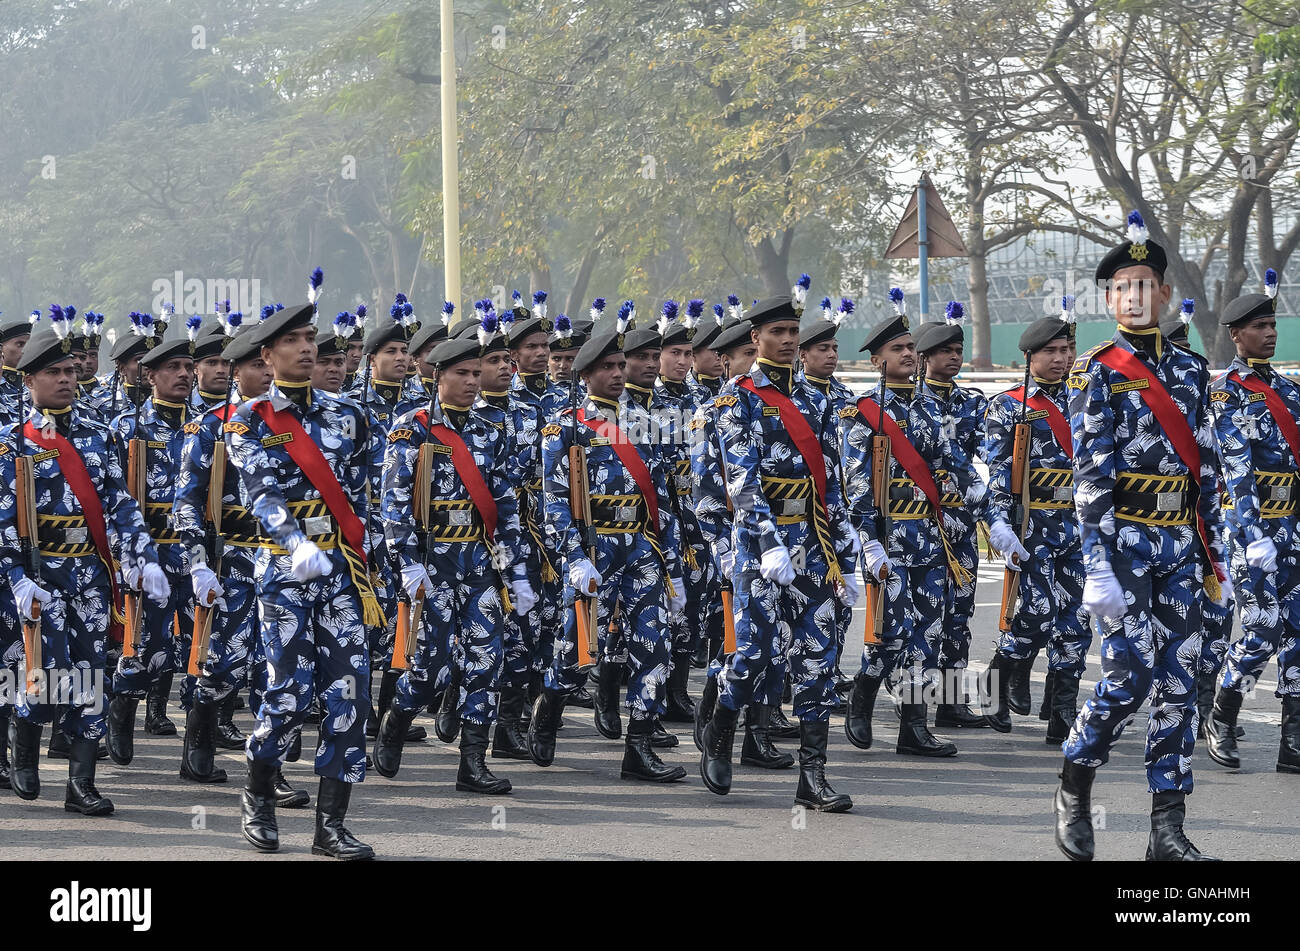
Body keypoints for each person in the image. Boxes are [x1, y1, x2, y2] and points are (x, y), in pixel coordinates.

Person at [1055, 210, 1226, 862]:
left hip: (1181, 546)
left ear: (1162, 295)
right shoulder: (1095, 370)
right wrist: (1095, 563)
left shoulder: (1189, 368)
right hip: (1122, 546)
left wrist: (1219, 553)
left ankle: (1167, 826)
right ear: (1109, 299)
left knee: (1182, 683)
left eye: (1144, 283)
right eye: (1121, 285)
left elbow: (1205, 466)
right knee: (1129, 676)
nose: (1133, 294)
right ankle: (1075, 779)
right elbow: (1089, 476)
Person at [226, 301, 382, 859]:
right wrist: (294, 541)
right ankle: (258, 796)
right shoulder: (246, 419)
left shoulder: (350, 415)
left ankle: (330, 828)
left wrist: (371, 559)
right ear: (266, 355)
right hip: (283, 570)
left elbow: (366, 495)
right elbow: (261, 494)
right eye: (292, 340)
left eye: (311, 337)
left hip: (342, 570)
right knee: (287, 696)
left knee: (349, 695)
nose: (306, 347)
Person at [699, 295, 858, 811]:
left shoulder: (818, 399)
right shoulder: (735, 399)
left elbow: (832, 481)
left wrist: (848, 551)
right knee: (753, 655)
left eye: (793, 332)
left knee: (819, 658)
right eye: (778, 333)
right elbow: (742, 482)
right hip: (758, 549)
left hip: (812, 545)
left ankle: (813, 778)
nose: (788, 341)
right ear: (756, 339)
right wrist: (768, 543)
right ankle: (722, 727)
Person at [0, 325, 166, 815]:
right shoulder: (14, 441)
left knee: (90, 675)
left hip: (89, 575)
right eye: (53, 372)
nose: (67, 379)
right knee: (44, 672)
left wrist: (143, 557)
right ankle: (24, 741)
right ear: (28, 380)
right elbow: (3, 517)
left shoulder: (99, 434)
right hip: (39, 573)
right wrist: (15, 578)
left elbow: (120, 503)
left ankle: (81, 783)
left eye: (71, 370)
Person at [373, 323, 531, 792]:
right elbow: (394, 503)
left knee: (487, 661)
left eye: (475, 372)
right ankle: (398, 716)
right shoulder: (412, 429)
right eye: (461, 373)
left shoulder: (491, 430)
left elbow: (504, 507)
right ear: (438, 376)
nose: (471, 381)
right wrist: (406, 562)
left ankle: (472, 763)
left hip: (479, 563)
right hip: (431, 562)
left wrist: (516, 571)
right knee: (432, 667)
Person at [529, 321, 687, 781]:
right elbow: (554, 499)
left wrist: (672, 566)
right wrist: (572, 556)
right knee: (580, 649)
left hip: (639, 545)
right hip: (593, 547)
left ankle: (638, 748)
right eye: (608, 367)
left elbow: (661, 502)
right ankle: (551, 705)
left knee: (652, 645)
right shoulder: (565, 428)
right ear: (585, 374)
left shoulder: (645, 425)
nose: (619, 373)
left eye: (622, 365)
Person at [841, 292, 959, 757]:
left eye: (911, 347)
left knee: (928, 635)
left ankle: (915, 727)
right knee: (890, 634)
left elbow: (947, 462)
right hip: (886, 540)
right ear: (877, 360)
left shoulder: (934, 406)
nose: (908, 355)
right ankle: (863, 695)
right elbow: (855, 484)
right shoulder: (861, 411)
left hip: (930, 538)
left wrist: (952, 485)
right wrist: (868, 543)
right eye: (897, 349)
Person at [1204, 272, 1300, 775]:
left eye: (1273, 323)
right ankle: (1223, 713)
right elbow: (1235, 466)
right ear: (1236, 335)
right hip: (1249, 531)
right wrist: (1253, 530)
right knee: (1262, 628)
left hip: (1294, 525)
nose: (1270, 332)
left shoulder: (1289, 388)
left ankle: (1293, 738)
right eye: (1259, 326)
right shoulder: (1226, 395)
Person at [981, 313, 1090, 742]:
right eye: (1051, 352)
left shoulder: (1085, 399)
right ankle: (996, 683)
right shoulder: (1008, 405)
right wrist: (1000, 525)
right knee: (1035, 612)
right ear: (1029, 357)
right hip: (1034, 525)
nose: (1062, 358)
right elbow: (997, 471)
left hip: (1078, 525)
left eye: (1066, 350)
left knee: (1076, 620)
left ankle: (1062, 713)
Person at [106, 334, 198, 765]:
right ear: (151, 375)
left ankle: (199, 744)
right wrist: (130, 558)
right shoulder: (128, 427)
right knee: (146, 647)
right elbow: (114, 500)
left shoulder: (206, 424)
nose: (183, 374)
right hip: (150, 553)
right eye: (172, 368)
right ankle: (122, 710)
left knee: (203, 651)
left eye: (187, 367)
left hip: (196, 555)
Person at [910, 305, 989, 729]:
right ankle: (913, 710)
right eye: (945, 352)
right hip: (919, 522)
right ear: (924, 358)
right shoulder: (906, 403)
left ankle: (952, 702)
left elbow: (985, 453)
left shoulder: (972, 402)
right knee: (922, 619)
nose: (954, 358)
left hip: (962, 523)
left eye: (958, 351)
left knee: (959, 613)